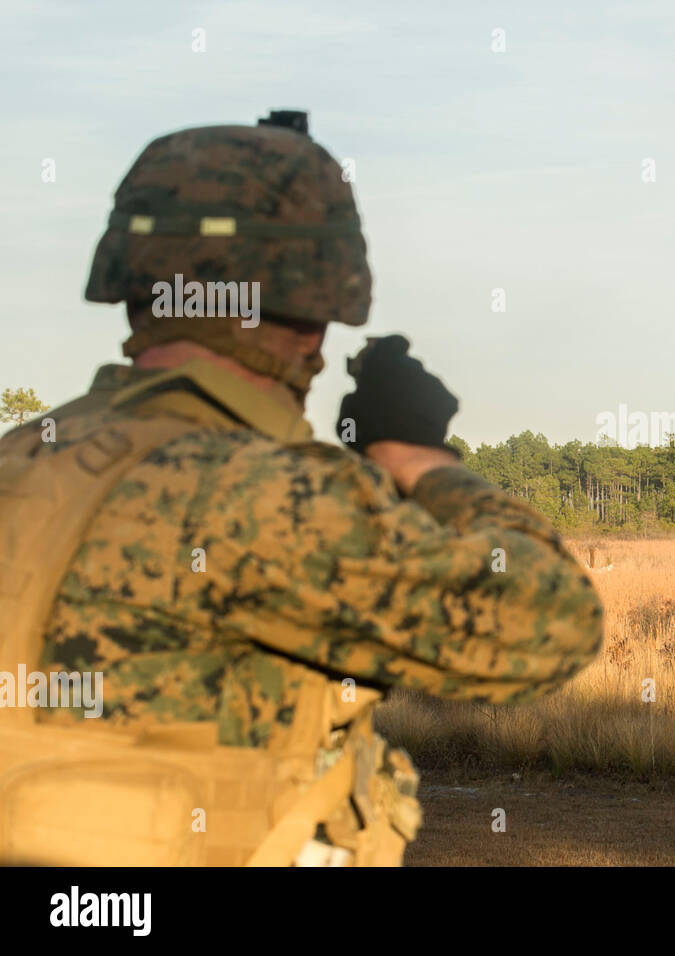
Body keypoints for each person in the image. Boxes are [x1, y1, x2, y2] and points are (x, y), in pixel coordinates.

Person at [0, 110, 603, 866]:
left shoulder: (21, 459)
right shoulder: (251, 492)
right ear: (316, 303)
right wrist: (418, 460)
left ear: (132, 282)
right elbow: (548, 620)